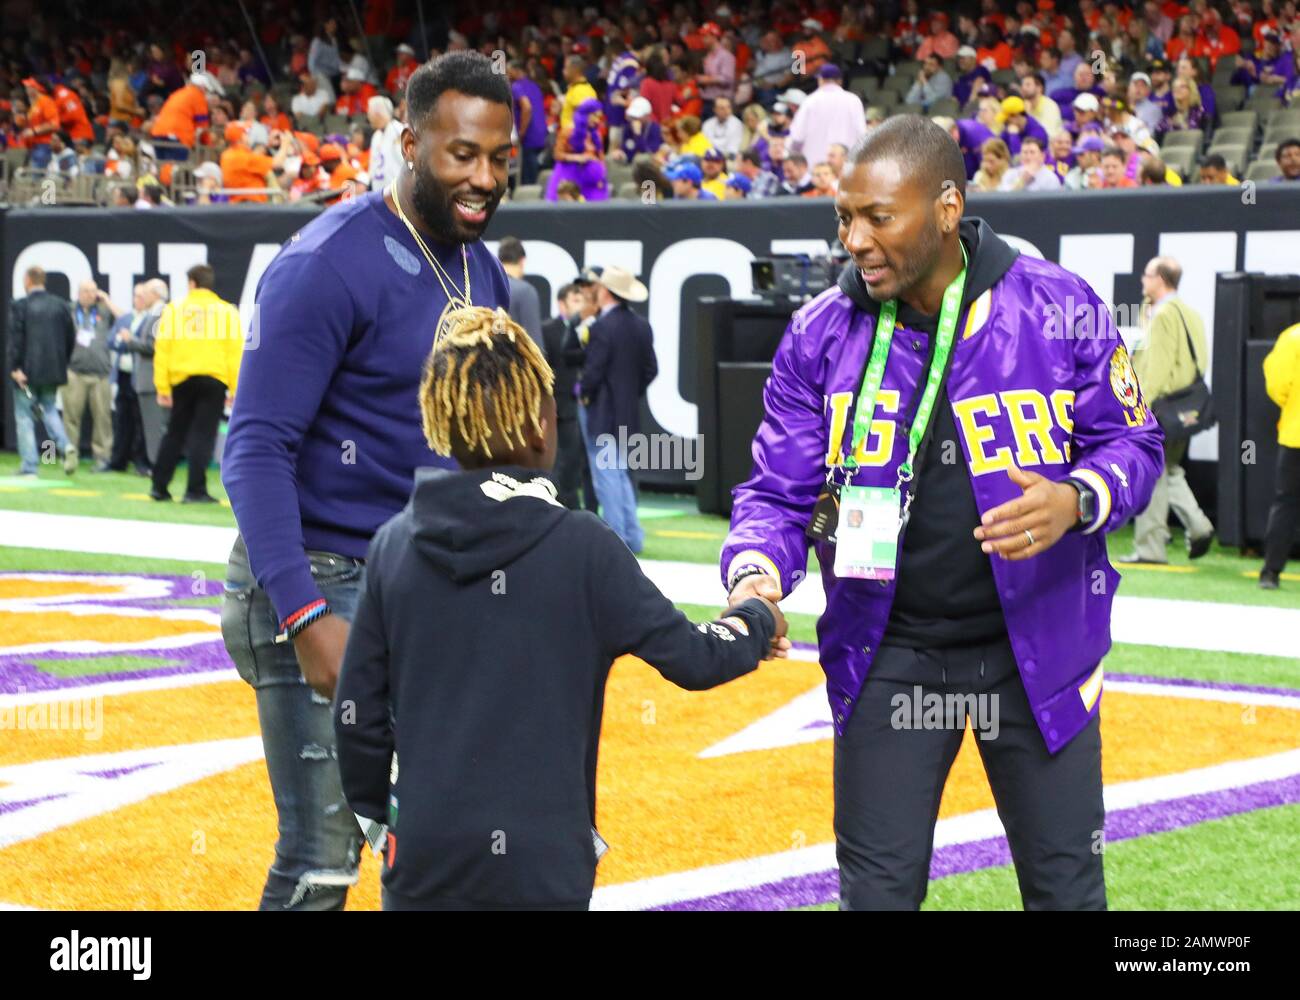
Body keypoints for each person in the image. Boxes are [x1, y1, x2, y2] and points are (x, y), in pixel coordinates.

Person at [723, 115, 1163, 911]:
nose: (854, 239)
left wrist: (1078, 498)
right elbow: (776, 493)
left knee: (1067, 892)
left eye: (878, 218)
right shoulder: (817, 333)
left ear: (949, 209)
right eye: (844, 217)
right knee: (878, 897)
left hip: (1038, 651)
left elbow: (1134, 443)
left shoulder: (1058, 305)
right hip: (889, 653)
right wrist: (756, 574)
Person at [333, 305, 786, 911]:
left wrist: (379, 822)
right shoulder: (584, 546)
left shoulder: (393, 543)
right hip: (541, 858)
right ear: (543, 424)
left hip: (424, 851)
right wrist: (758, 619)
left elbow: (356, 711)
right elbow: (695, 658)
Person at [220, 51, 513, 912]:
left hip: (419, 583)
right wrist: (308, 618)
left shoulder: (479, 267)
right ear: (409, 143)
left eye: (499, 158)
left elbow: (471, 451)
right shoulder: (327, 260)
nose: (484, 178)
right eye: (463, 154)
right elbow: (254, 449)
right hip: (322, 580)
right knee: (320, 859)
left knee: (432, 840)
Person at [1123, 257, 1215, 564]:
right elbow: (1200, 361)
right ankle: (1198, 526)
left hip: (1160, 407)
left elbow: (1156, 369)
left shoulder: (1162, 315)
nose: (1142, 280)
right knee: (1168, 470)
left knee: (1153, 473)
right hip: (1183, 409)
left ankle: (1151, 548)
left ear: (1160, 279)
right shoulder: (1190, 313)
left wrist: (1141, 409)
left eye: (1147, 275)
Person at [579, 267, 657, 554]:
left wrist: (585, 395)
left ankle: (619, 541)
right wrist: (629, 394)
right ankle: (632, 537)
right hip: (627, 413)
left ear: (605, 291)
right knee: (620, 475)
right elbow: (651, 369)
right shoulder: (641, 325)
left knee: (607, 479)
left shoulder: (602, 327)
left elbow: (593, 372)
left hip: (602, 412)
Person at [151, 264, 242, 502]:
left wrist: (162, 386)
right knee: (203, 435)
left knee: (174, 432)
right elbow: (235, 353)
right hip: (214, 379)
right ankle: (195, 490)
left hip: (182, 379)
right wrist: (235, 387)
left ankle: (159, 486)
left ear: (192, 283)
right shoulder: (226, 311)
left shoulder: (174, 309)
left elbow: (162, 349)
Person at [7, 266, 74, 475]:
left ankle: (29, 467)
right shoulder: (61, 305)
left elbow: (16, 339)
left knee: (25, 416)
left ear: (27, 280)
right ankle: (65, 445)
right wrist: (61, 362)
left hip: (26, 373)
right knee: (49, 408)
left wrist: (15, 367)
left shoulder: (21, 305)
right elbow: (70, 338)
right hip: (52, 371)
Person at [540, 283, 591, 511]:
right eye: (575, 301)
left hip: (585, 408)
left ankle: (576, 509)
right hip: (559, 408)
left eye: (582, 301)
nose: (580, 307)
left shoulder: (590, 329)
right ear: (562, 304)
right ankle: (555, 507)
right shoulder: (547, 329)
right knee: (559, 463)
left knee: (577, 464)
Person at [109, 279, 167, 473]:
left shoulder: (159, 313)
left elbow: (152, 346)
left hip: (151, 378)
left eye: (147, 293)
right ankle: (150, 464)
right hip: (139, 378)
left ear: (156, 294)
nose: (144, 297)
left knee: (152, 427)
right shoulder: (152, 313)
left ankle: (154, 465)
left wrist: (130, 340)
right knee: (145, 426)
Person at [62, 280, 121, 474]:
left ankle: (103, 458)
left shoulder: (104, 311)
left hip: (100, 374)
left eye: (93, 291)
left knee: (103, 419)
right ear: (78, 293)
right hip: (74, 372)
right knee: (70, 418)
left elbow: (124, 320)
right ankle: (69, 455)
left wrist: (107, 300)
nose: (90, 294)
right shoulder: (69, 310)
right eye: (86, 291)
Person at [1260, 321, 1300, 589]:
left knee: (1286, 503)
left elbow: (1276, 382)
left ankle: (1270, 572)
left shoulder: (1292, 337)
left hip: (1295, 433)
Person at [788, 65, 865, 171]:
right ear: (840, 81)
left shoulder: (810, 101)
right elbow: (862, 135)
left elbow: (797, 138)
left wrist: (794, 157)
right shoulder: (854, 101)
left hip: (814, 167)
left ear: (820, 79)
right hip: (844, 166)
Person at [545, 98, 608, 202]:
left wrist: (602, 176)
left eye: (599, 117)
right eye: (595, 116)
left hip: (591, 183)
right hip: (569, 181)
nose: (597, 120)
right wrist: (577, 157)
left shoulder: (596, 134)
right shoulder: (568, 131)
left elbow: (601, 158)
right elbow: (557, 154)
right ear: (585, 114)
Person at [508, 60, 547, 186]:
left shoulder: (516, 86)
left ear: (517, 70)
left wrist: (521, 132)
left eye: (509, 71)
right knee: (536, 173)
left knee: (527, 179)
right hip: (541, 133)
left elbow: (527, 107)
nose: (507, 74)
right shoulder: (534, 85)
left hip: (529, 136)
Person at [497, 236, 542, 344]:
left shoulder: (486, 286)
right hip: (515, 359)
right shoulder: (525, 291)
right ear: (522, 261)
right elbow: (534, 343)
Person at [366, 96, 405, 192]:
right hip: (379, 191)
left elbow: (407, 163)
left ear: (377, 113)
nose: (368, 116)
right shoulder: (376, 136)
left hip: (398, 192)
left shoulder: (398, 130)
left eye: (369, 112)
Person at [997, 135, 1061, 190]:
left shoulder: (1050, 179)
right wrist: (1021, 182)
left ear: (1042, 156)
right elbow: (1003, 198)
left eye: (1032, 152)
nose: (1028, 156)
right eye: (1025, 152)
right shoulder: (1010, 174)